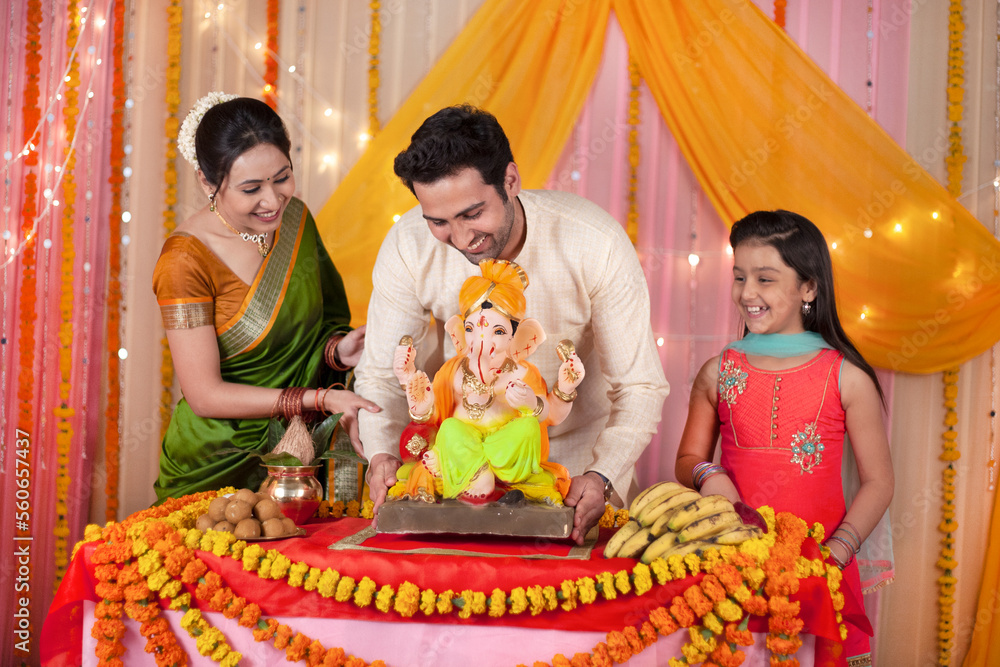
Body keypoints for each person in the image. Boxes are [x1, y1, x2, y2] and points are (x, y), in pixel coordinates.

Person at [355, 105, 669, 544]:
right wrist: (382, 454)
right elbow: (381, 374)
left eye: (472, 214)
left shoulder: (593, 242)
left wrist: (602, 476)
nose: (461, 239)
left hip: (577, 466)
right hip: (461, 470)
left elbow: (639, 386)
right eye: (439, 222)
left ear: (510, 180)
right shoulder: (408, 245)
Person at [674, 210, 894, 665]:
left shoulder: (846, 377)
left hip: (820, 575)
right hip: (732, 570)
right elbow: (688, 457)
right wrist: (710, 476)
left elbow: (879, 482)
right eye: (739, 277)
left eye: (765, 279)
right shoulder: (718, 372)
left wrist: (832, 558)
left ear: (809, 287)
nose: (747, 293)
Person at [152, 94, 380, 501]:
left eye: (282, 178)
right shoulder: (183, 262)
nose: (273, 200)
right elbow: (205, 395)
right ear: (207, 182)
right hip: (218, 461)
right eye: (251, 188)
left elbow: (317, 328)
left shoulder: (296, 221)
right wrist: (319, 398)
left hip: (301, 454)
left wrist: (338, 351)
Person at [392, 258, 584, 505]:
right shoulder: (453, 370)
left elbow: (551, 417)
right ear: (461, 331)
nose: (482, 340)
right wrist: (411, 384)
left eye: (498, 331)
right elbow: (434, 418)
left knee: (527, 428)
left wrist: (559, 391)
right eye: (472, 329)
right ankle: (476, 472)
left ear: (519, 335)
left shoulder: (523, 373)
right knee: (450, 428)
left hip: (504, 454)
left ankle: (477, 473)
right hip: (462, 445)